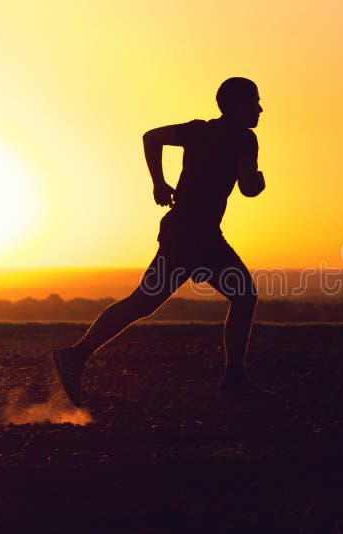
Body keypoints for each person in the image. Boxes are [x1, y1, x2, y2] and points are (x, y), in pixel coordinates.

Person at [53, 77, 273, 407]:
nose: (260, 108)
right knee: (225, 297)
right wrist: (259, 182)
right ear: (237, 105)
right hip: (191, 236)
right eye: (254, 101)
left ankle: (234, 379)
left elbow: (151, 138)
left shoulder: (198, 131)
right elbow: (248, 187)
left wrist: (159, 183)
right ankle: (76, 356)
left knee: (229, 297)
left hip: (194, 234)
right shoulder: (245, 139)